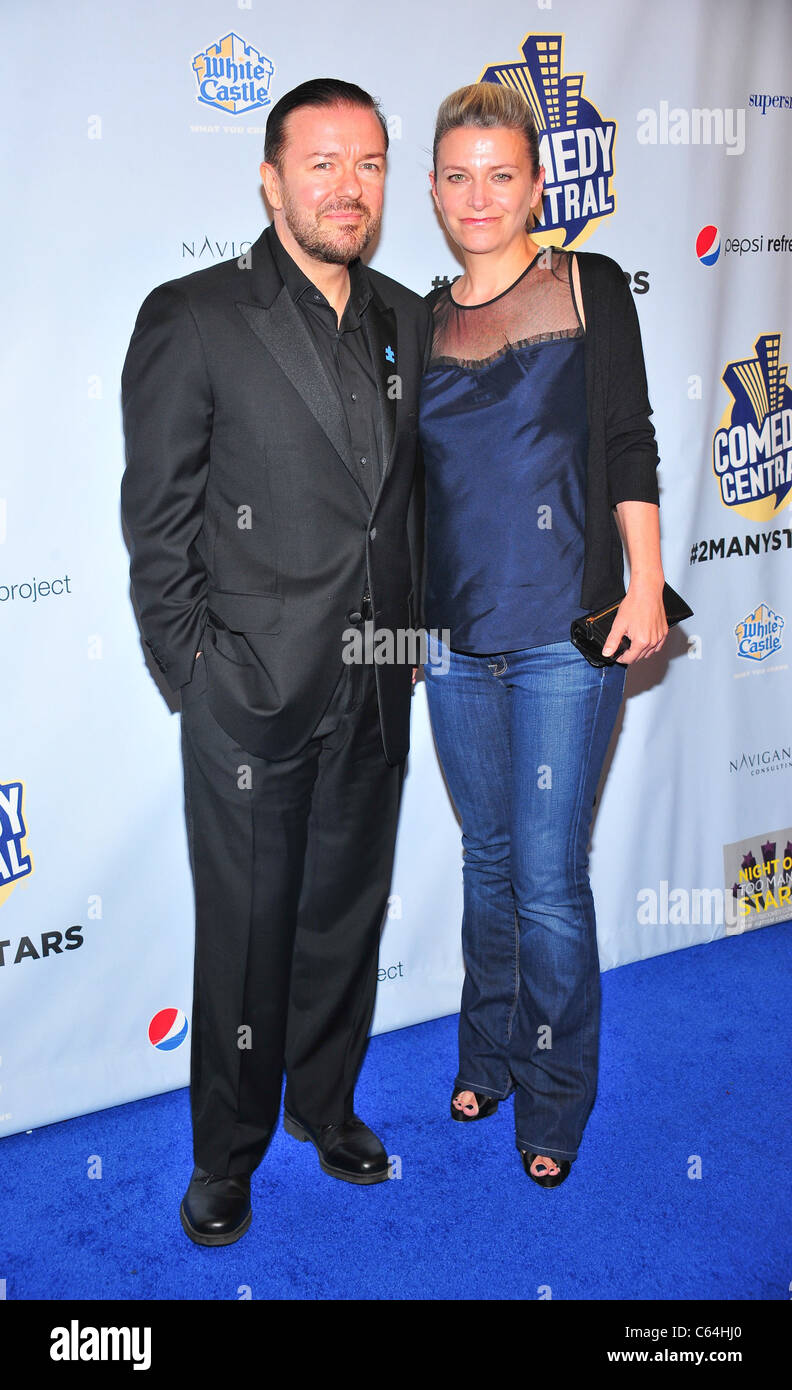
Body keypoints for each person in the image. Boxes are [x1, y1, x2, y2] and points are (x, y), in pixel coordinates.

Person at [121, 78, 431, 1244]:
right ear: (270, 177)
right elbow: (158, 520)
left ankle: (327, 1102)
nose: (348, 187)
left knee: (344, 914)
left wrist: (404, 648)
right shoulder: (193, 315)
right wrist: (197, 672)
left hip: (376, 682)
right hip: (249, 688)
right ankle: (227, 1153)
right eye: (322, 163)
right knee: (247, 933)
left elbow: (401, 510)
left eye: (370, 165)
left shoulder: (407, 317)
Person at [419, 83, 667, 1187]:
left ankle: (556, 1091)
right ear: (433, 189)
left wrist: (647, 585)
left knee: (548, 878)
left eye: (501, 174)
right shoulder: (412, 320)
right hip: (451, 639)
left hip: (569, 633)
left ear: (536, 183)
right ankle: (491, 1051)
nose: (481, 195)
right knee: (485, 861)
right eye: (459, 176)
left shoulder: (587, 286)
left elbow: (626, 440)